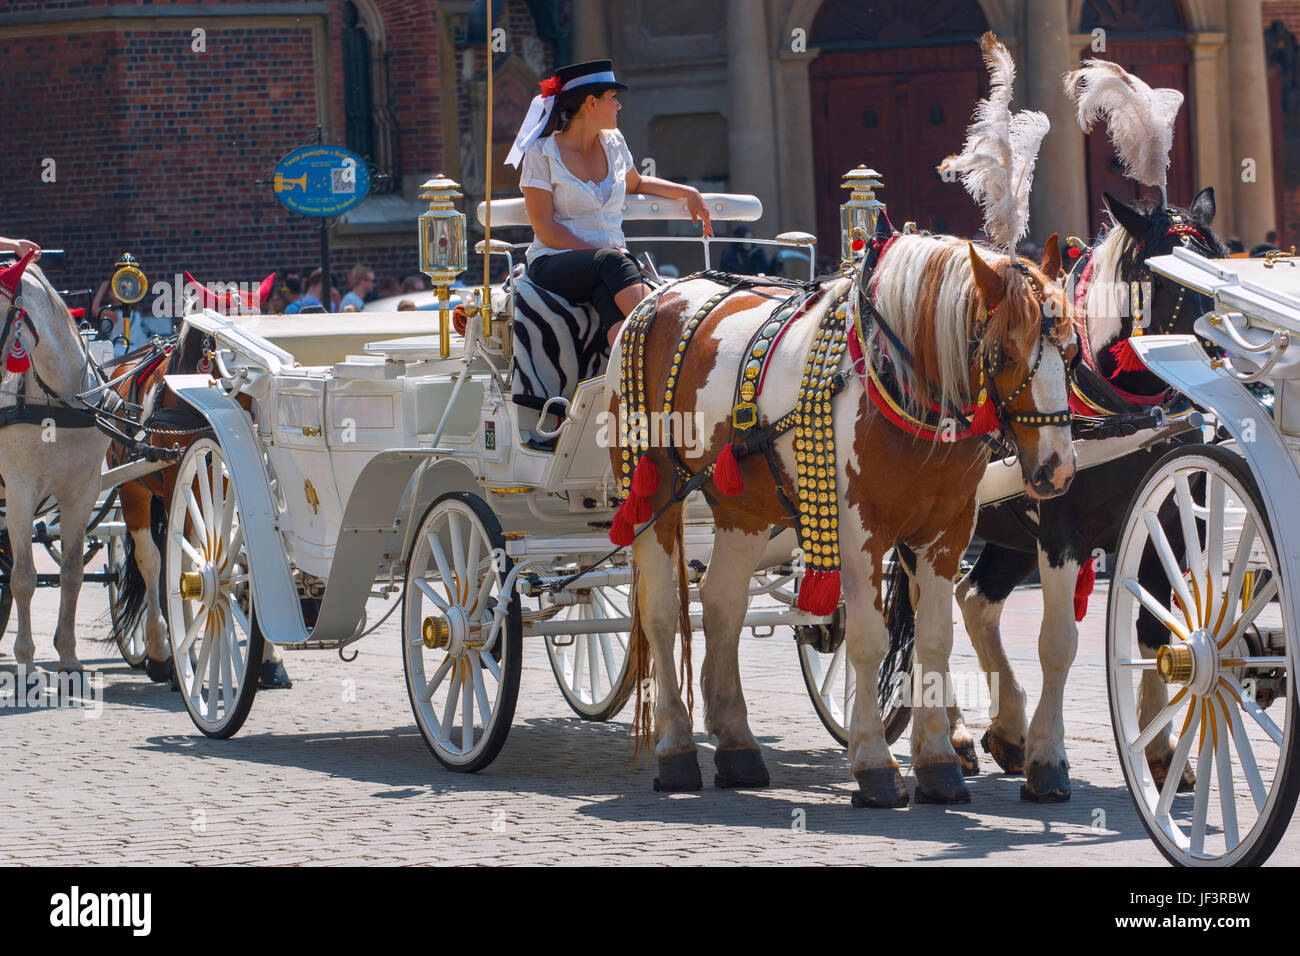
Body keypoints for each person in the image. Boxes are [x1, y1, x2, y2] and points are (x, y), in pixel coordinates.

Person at [510, 58, 712, 347]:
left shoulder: (614, 141)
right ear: (591, 103)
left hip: (607, 267)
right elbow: (545, 230)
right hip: (553, 264)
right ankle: (677, 338)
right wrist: (603, 252)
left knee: (610, 301)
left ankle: (625, 374)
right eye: (613, 98)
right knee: (612, 263)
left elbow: (637, 182)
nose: (619, 106)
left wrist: (688, 192)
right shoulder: (541, 152)